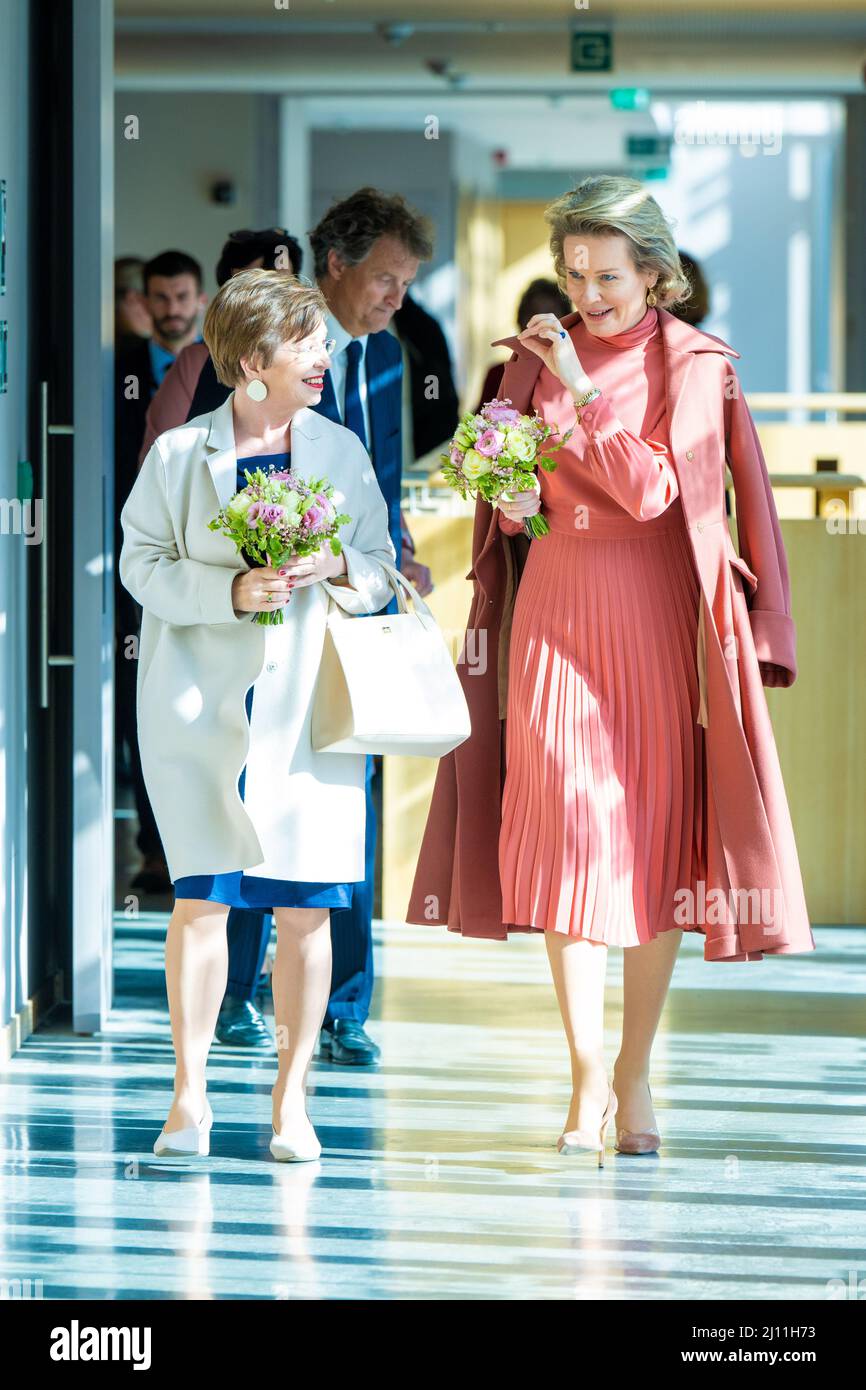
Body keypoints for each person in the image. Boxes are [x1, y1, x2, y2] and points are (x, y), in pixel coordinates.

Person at [406, 174, 814, 1165]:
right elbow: (507, 504)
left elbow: (644, 490)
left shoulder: (696, 367)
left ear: (655, 274)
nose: (585, 297)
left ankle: (633, 1066)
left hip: (652, 613)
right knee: (564, 830)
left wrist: (576, 392)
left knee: (648, 842)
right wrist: (499, 477)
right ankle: (585, 1067)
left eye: (606, 278)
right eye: (573, 275)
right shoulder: (527, 363)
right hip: (554, 607)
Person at [119, 269, 397, 1161]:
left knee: (306, 911)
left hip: (305, 713)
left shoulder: (339, 451)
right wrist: (231, 588)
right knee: (201, 903)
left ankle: (291, 1100)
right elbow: (140, 565)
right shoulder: (177, 456)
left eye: (322, 341)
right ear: (250, 362)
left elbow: (383, 569)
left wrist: (340, 568)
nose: (324, 357)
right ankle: (189, 1100)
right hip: (202, 708)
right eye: (307, 343)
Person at [115, 250, 207, 894]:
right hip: (132, 558)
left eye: (182, 297)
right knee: (139, 704)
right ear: (142, 302)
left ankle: (192, 846)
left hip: (202, 563)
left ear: (199, 300)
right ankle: (155, 848)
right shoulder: (116, 366)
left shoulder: (215, 370)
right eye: (160, 298)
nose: (172, 310)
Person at [474, 277, 572, 412]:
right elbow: (477, 427)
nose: (540, 322)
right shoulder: (497, 374)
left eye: (550, 314)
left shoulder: (573, 371)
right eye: (532, 313)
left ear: (566, 321)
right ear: (520, 320)